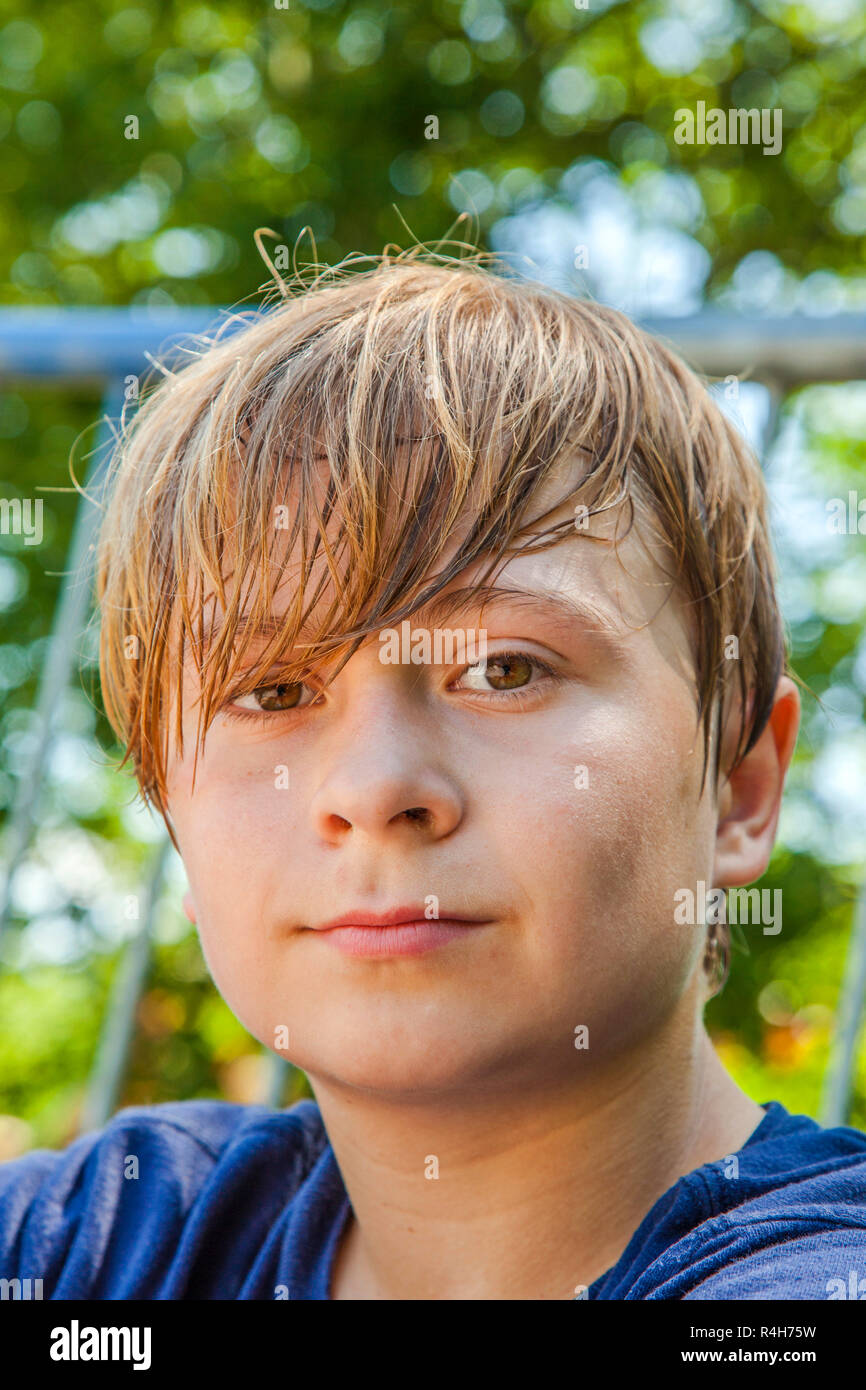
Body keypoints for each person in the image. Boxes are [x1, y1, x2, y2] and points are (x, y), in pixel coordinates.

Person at [2, 247, 865, 1300]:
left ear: (739, 783)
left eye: (503, 669)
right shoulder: (100, 1240)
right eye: (271, 693)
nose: (372, 787)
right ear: (169, 810)